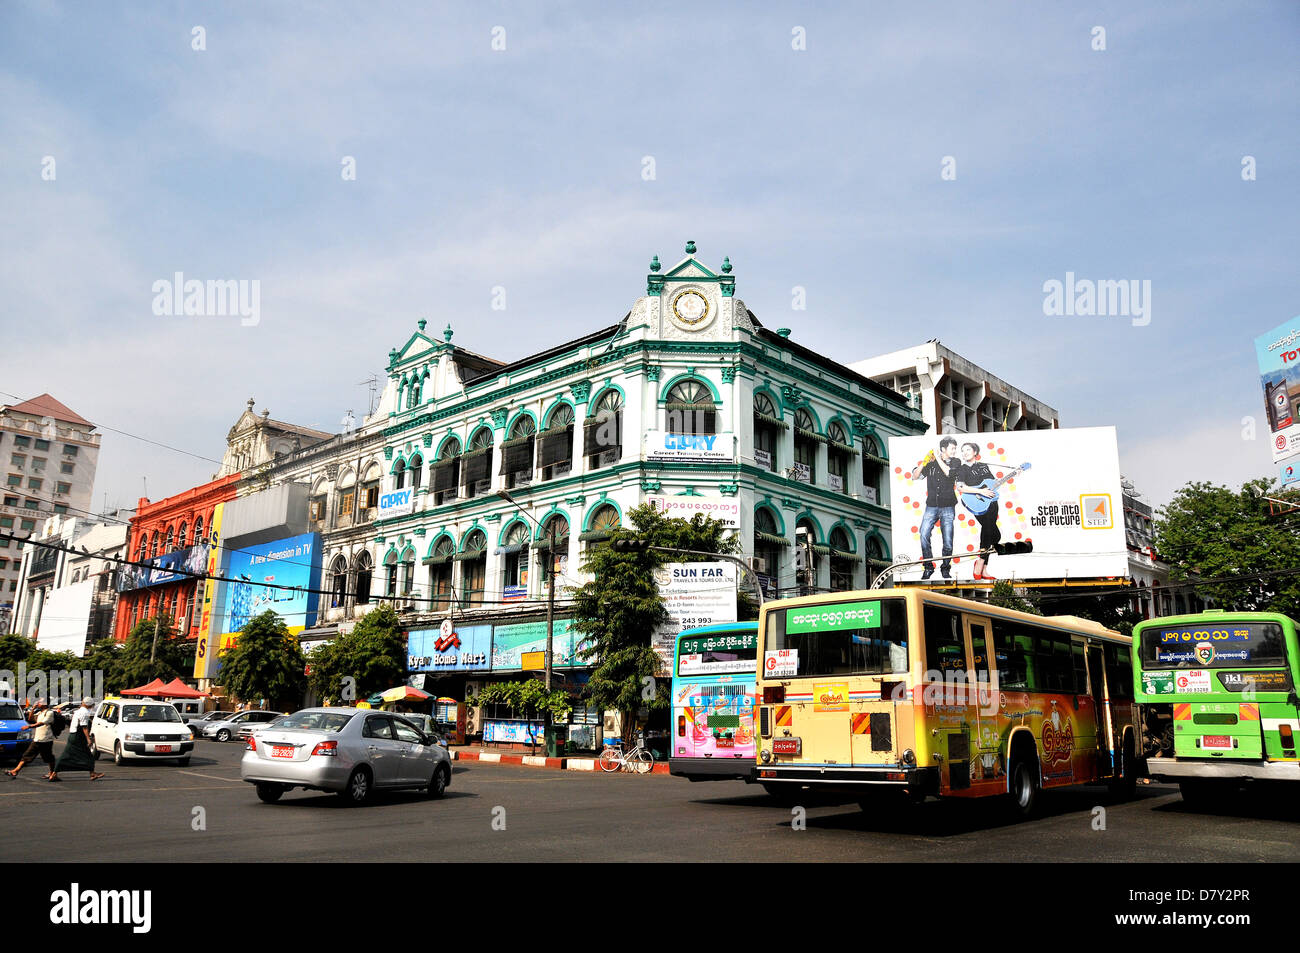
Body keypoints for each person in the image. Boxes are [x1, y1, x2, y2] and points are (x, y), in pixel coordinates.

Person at [910, 436, 959, 581]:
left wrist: (937, 458)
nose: (954, 451)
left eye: (955, 448)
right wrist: (924, 462)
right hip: (931, 505)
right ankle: (928, 567)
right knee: (923, 533)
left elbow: (949, 473)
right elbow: (915, 476)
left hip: (948, 505)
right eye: (952, 448)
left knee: (948, 539)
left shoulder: (956, 462)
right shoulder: (931, 463)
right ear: (943, 449)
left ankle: (945, 568)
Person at [953, 442, 1002, 580]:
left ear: (975, 451)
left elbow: (992, 482)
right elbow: (961, 487)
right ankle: (981, 562)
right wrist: (980, 491)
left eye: (968, 449)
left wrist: (1013, 474)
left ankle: (984, 567)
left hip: (991, 501)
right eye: (962, 451)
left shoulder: (983, 466)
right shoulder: (961, 469)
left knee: (995, 536)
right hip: (976, 502)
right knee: (988, 529)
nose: (965, 452)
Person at [52, 697, 104, 782]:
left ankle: (92, 773)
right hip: (77, 736)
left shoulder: (79, 711)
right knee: (68, 755)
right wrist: (88, 739)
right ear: (89, 705)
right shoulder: (84, 712)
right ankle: (54, 773)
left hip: (74, 735)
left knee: (86, 754)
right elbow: (84, 727)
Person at [5, 700, 57, 779]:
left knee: (48, 757)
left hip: (46, 740)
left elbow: (41, 723)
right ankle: (15, 771)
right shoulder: (40, 713)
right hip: (37, 739)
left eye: (40, 702)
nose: (38, 703)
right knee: (27, 755)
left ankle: (52, 773)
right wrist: (33, 709)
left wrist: (29, 726)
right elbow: (30, 718)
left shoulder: (49, 713)